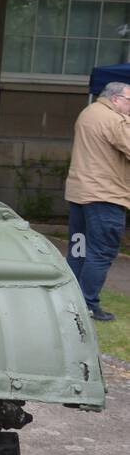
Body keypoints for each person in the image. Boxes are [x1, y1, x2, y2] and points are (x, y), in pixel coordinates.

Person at [65, 80, 130, 321]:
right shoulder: (114, 119)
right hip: (105, 196)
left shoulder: (89, 112)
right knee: (101, 252)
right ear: (115, 99)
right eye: (129, 101)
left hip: (80, 195)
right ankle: (89, 305)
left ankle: (70, 302)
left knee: (78, 250)